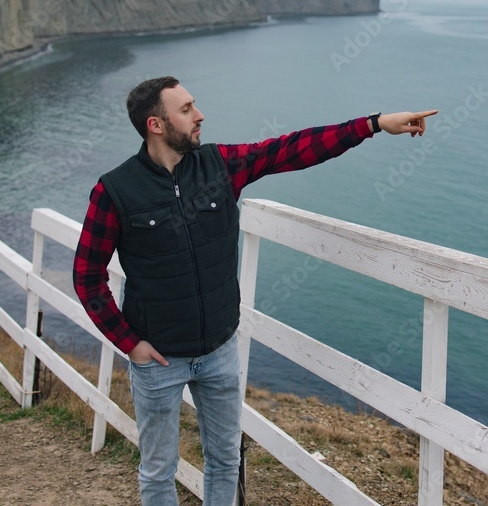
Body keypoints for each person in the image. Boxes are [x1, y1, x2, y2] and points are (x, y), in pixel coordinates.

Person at [73, 76, 436, 506]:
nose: (200, 114)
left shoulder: (219, 166)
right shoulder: (116, 190)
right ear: (156, 124)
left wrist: (375, 124)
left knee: (226, 459)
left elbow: (292, 149)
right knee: (158, 470)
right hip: (159, 360)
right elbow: (87, 275)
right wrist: (129, 344)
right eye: (186, 109)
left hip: (220, 350)